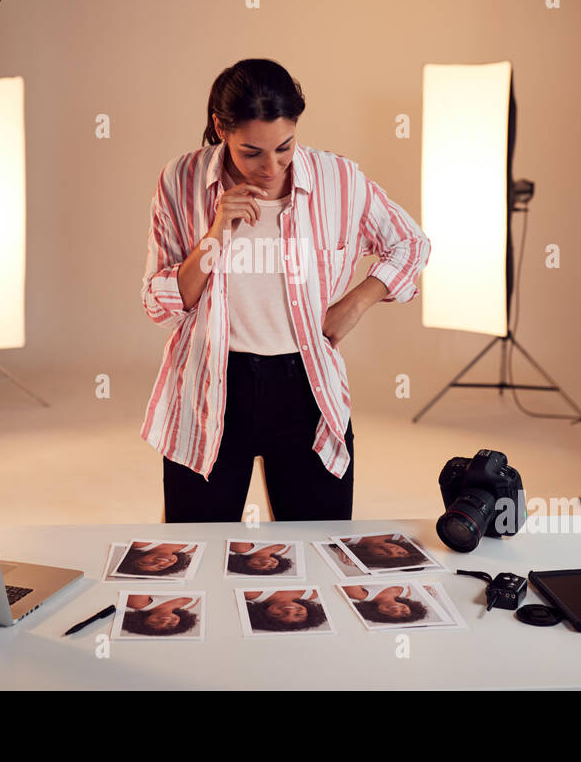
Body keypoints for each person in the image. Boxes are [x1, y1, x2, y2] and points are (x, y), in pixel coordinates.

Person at [140, 58, 431, 522]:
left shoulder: (338, 179)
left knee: (320, 552)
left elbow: (410, 243)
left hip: (306, 386)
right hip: (210, 384)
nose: (271, 166)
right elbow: (160, 300)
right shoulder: (181, 181)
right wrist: (217, 230)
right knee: (196, 554)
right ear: (220, 128)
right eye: (251, 151)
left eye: (284, 147)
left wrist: (356, 302)